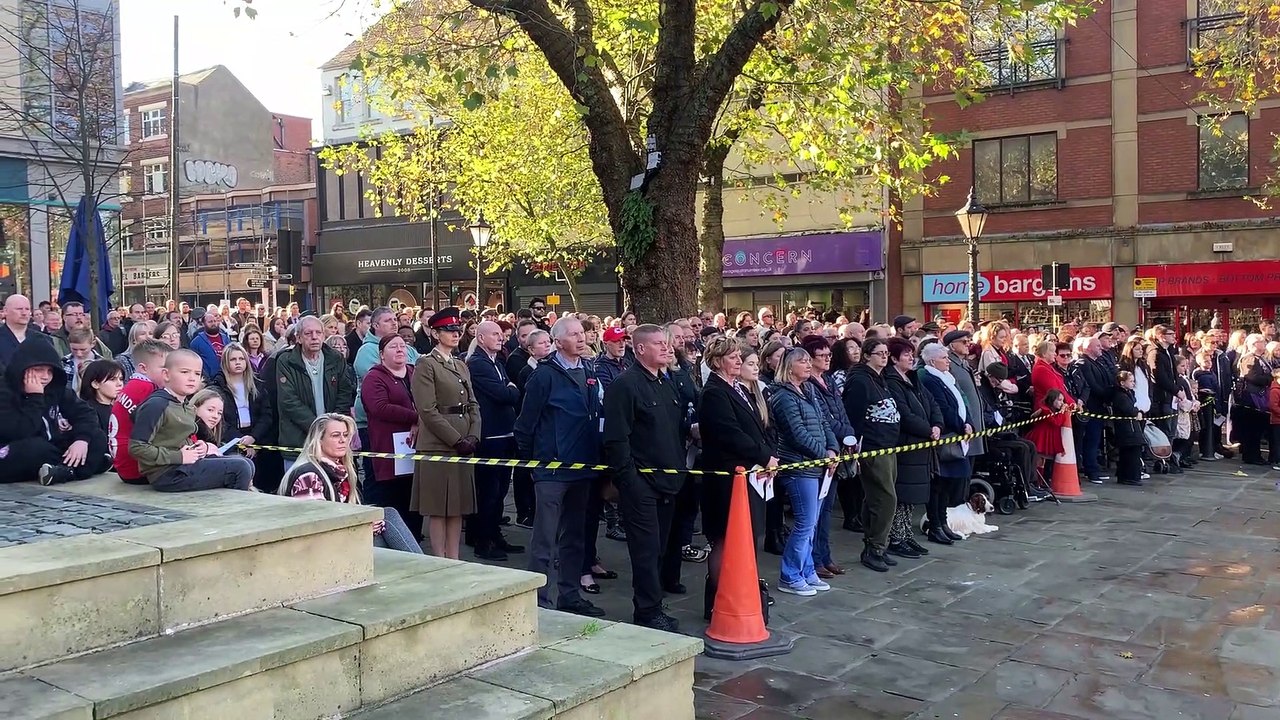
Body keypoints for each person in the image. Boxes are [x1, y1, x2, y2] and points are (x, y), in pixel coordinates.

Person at [515, 316, 605, 618]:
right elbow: (525, 425)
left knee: (575, 536)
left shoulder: (589, 370)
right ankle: (539, 600)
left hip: (583, 466)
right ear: (558, 341)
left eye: (583, 333)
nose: (581, 339)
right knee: (545, 537)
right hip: (551, 469)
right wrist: (535, 463)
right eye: (574, 335)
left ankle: (569, 594)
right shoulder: (544, 376)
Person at [604, 323, 689, 630]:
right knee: (645, 549)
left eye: (667, 343)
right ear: (640, 349)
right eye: (658, 344)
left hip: (669, 479)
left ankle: (655, 600)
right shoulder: (625, 385)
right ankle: (647, 610)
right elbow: (616, 438)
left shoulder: (666, 382)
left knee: (661, 548)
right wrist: (630, 480)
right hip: (641, 483)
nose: (667, 348)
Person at [697, 337, 777, 620]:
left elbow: (756, 427)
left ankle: (741, 592)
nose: (739, 362)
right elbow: (729, 433)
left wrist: (767, 454)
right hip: (726, 477)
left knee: (745, 536)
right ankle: (717, 599)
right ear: (718, 361)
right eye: (733, 358)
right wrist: (763, 456)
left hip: (748, 475)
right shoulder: (715, 393)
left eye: (739, 357)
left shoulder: (737, 389)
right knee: (724, 537)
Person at [280, 414, 424, 553]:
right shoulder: (309, 475)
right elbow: (316, 525)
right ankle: (428, 569)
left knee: (386, 519)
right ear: (319, 440)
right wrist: (360, 526)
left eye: (346, 435)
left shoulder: (341, 469)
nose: (343, 440)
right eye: (335, 435)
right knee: (388, 518)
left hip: (340, 540)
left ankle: (424, 569)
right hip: (315, 548)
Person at [130, 349, 254, 492]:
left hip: (184, 465)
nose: (192, 378)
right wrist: (179, 456)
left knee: (246, 463)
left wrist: (197, 446)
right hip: (167, 474)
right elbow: (137, 447)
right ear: (166, 374)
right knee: (241, 469)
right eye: (184, 372)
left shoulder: (184, 405)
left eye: (196, 373)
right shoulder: (157, 405)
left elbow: (175, 437)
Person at [411, 307, 480, 560]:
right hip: (438, 444)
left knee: (458, 506)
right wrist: (456, 439)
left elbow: (473, 404)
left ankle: (454, 558)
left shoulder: (461, 365)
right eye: (448, 330)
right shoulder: (426, 364)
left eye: (457, 330)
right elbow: (427, 410)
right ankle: (440, 559)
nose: (455, 334)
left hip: (462, 442)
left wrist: (474, 435)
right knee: (438, 507)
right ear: (435, 333)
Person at [767, 347, 839, 594]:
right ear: (788, 367)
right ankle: (789, 575)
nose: (809, 365)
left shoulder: (809, 390)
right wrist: (823, 456)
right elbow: (796, 434)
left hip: (817, 466)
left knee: (813, 522)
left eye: (809, 360)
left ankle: (807, 570)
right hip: (800, 468)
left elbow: (823, 423)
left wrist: (832, 449)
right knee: (805, 523)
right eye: (802, 361)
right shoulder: (783, 397)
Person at [0, 338, 110, 485]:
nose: (45, 376)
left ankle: (65, 472)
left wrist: (81, 440)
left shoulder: (56, 389)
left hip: (52, 446)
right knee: (36, 449)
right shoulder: (5, 392)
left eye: (50, 371)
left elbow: (85, 413)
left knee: (96, 437)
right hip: (15, 449)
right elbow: (19, 431)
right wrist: (35, 398)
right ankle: (85, 466)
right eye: (38, 370)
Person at [466, 320, 525, 561]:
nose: (501, 338)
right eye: (495, 334)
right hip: (490, 435)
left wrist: (510, 389)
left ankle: (494, 533)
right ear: (481, 338)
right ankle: (483, 540)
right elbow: (504, 394)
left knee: (500, 490)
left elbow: (512, 390)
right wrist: (509, 389)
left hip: (504, 433)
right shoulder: (478, 364)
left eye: (501, 334)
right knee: (488, 491)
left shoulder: (496, 362)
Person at [843, 337, 901, 570]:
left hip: (888, 444)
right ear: (867, 355)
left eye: (886, 353)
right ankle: (875, 546)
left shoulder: (879, 378)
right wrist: (855, 448)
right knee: (885, 498)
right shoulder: (860, 381)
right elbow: (853, 416)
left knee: (880, 497)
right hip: (873, 446)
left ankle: (877, 545)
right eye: (879, 353)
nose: (885, 357)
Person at [360, 334, 423, 539]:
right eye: (393, 346)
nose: (399, 350)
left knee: (413, 497)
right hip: (388, 448)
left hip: (415, 447)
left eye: (402, 346)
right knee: (391, 498)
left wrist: (418, 420)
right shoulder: (374, 377)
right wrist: (417, 417)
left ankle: (414, 540)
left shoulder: (414, 373)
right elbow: (380, 407)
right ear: (381, 354)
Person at [882, 338, 939, 558]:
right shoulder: (893, 382)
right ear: (894, 358)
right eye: (906, 354)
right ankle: (896, 537)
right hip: (906, 445)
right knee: (902, 494)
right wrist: (927, 429)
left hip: (922, 446)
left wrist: (937, 425)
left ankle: (906, 535)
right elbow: (905, 414)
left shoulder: (914, 378)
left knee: (912, 497)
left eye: (911, 354)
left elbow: (932, 403)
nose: (911, 358)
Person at [275, 316, 357, 457]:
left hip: (333, 440)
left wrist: (332, 427)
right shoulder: (285, 361)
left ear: (324, 335)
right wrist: (319, 428)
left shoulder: (336, 358)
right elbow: (288, 401)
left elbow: (345, 393)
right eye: (308, 333)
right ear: (299, 338)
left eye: (318, 333)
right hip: (299, 440)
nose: (314, 337)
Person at [918, 342, 972, 545]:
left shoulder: (947, 377)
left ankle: (943, 522)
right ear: (932, 360)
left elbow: (962, 400)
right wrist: (961, 425)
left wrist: (969, 423)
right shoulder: (929, 378)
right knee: (938, 484)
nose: (948, 361)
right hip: (945, 438)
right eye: (944, 358)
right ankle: (936, 524)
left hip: (957, 434)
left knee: (949, 484)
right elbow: (943, 407)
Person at [111, 340, 171, 485]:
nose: (168, 372)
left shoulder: (132, 386)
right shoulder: (148, 390)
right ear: (143, 368)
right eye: (164, 368)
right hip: (137, 467)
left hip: (124, 465)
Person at [209, 343, 270, 449]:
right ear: (225, 362)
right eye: (233, 359)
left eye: (241, 359)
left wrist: (253, 437)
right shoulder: (218, 387)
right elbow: (222, 421)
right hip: (230, 440)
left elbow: (266, 415)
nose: (238, 362)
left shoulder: (257, 384)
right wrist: (240, 440)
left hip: (257, 438)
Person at [1112, 371, 1146, 486]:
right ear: (1122, 382)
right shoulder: (1120, 396)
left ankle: (1128, 475)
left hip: (1131, 427)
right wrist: (1138, 412)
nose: (1133, 383)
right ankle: (1129, 476)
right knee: (1130, 453)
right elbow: (1129, 410)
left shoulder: (1129, 394)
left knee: (1131, 452)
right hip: (1126, 429)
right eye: (1130, 381)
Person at [0, 294, 50, 366]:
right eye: (19, 309)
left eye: (27, 309)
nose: (24, 313)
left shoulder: (44, 340)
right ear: (5, 310)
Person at [79, 359, 124, 435]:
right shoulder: (88, 412)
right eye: (112, 379)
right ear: (95, 384)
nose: (119, 384)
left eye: (121, 379)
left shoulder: (121, 408)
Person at [189, 311, 230, 378]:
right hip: (209, 379)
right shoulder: (196, 342)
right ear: (203, 324)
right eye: (210, 322)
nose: (213, 323)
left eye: (215, 321)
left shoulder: (226, 339)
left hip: (227, 377)